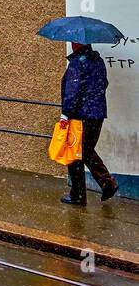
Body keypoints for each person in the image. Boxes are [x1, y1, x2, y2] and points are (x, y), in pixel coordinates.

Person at [60, 41, 119, 205]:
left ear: (78, 44)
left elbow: (72, 91)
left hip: (80, 116)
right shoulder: (97, 61)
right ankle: (106, 183)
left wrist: (65, 114)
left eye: (73, 42)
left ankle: (79, 195)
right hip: (97, 114)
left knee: (76, 152)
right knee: (85, 151)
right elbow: (104, 84)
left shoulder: (77, 63)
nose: (71, 45)